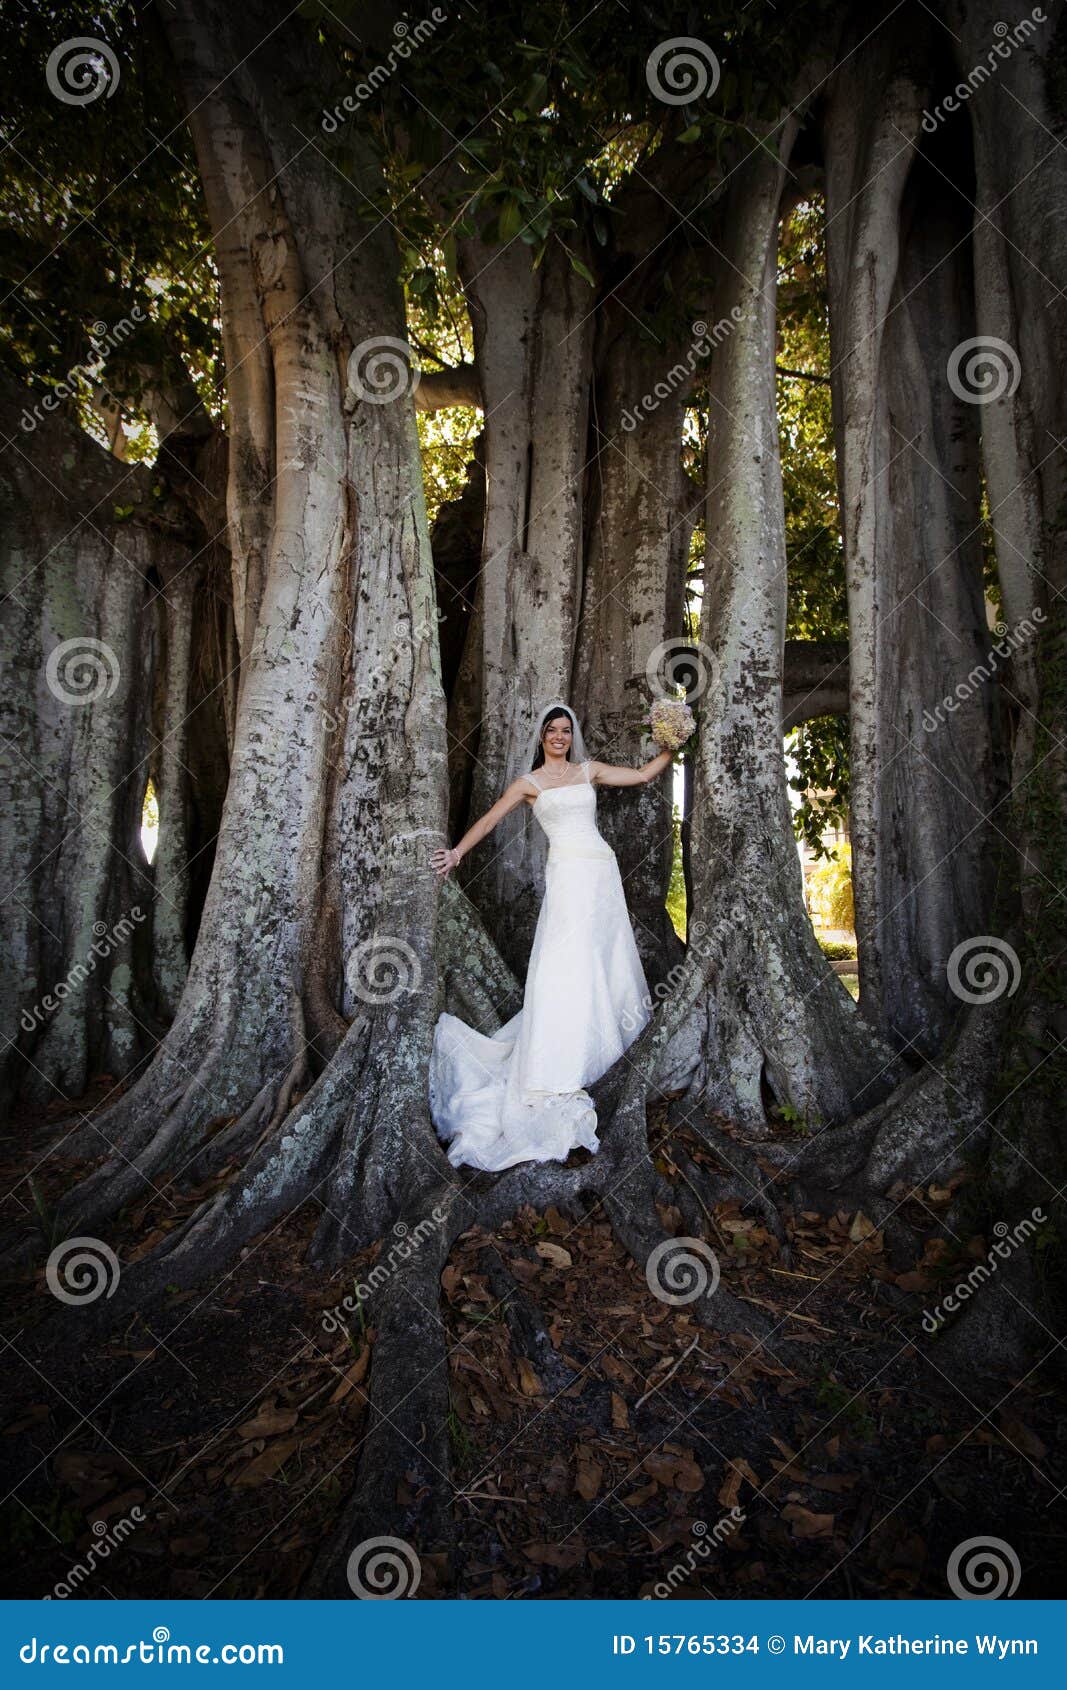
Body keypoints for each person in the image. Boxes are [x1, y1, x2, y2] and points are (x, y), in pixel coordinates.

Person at [428, 701, 679, 1172]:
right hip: (565, 877)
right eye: (552, 731)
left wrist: (673, 744)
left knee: (601, 958)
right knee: (564, 963)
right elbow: (489, 819)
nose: (560, 737)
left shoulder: (589, 771)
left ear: (572, 735)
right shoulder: (530, 784)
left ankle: (606, 1047)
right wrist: (457, 854)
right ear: (541, 736)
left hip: (601, 873)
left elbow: (644, 775)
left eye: (566, 730)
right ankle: (557, 1058)